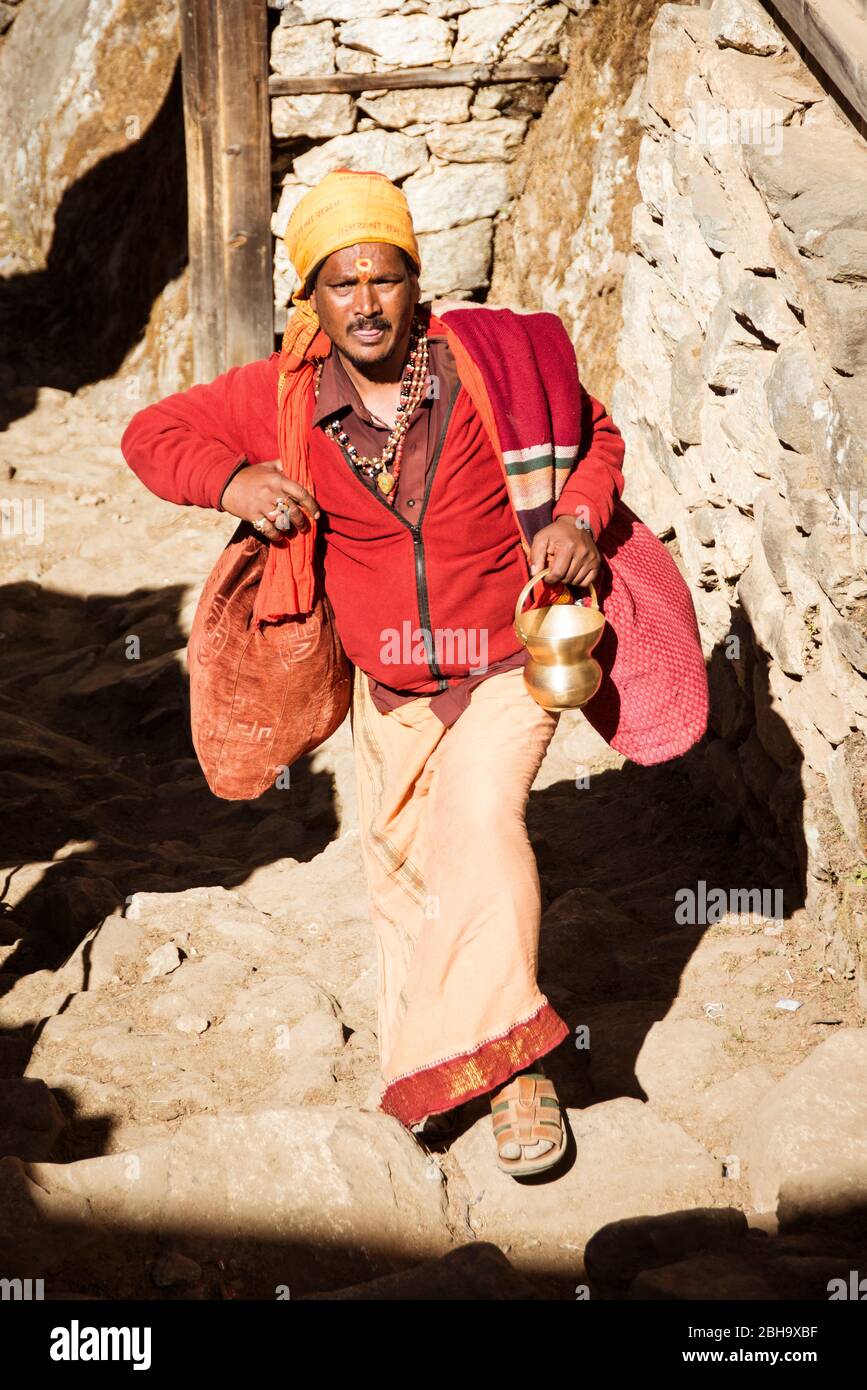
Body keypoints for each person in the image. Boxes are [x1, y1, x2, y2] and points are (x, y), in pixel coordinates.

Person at [121, 168, 627, 1177]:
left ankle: (525, 1069)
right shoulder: (282, 399)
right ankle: (436, 1063)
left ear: (414, 282)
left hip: (505, 660)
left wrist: (576, 520)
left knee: (478, 823)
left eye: (383, 280)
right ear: (310, 299)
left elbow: (597, 435)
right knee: (403, 879)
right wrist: (234, 476)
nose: (365, 304)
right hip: (386, 683)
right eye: (340, 284)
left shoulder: (491, 365)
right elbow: (150, 436)